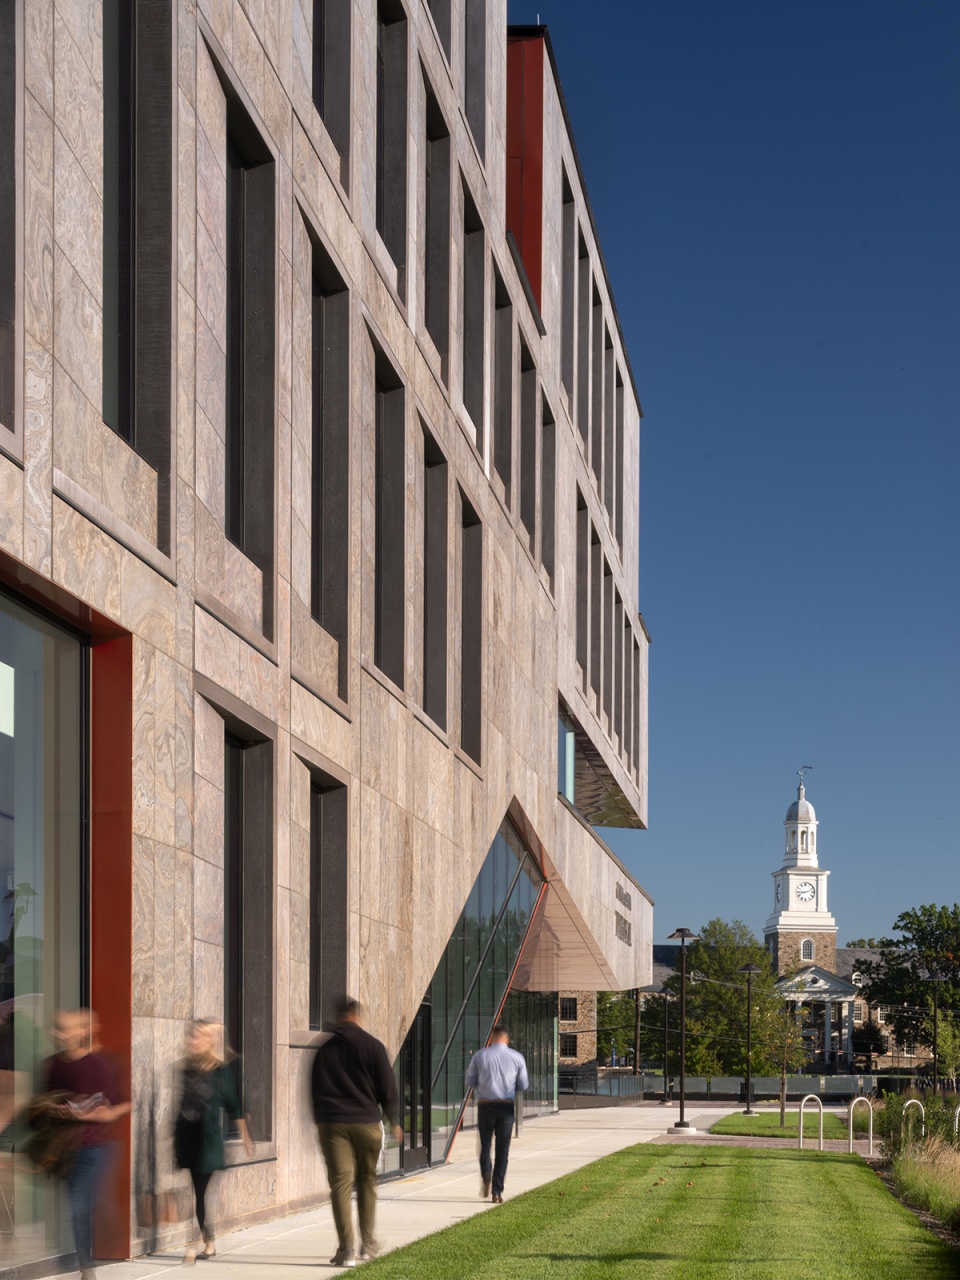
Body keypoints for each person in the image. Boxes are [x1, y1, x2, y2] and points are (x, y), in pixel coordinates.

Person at [310, 996, 402, 1268]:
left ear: (339, 1017)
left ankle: (347, 1249)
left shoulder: (324, 1049)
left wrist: (319, 1120)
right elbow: (387, 1088)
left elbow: (313, 1089)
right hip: (366, 1123)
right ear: (357, 1016)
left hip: (333, 1124)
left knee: (339, 1184)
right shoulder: (373, 1046)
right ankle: (368, 1245)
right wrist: (394, 1120)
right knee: (366, 1182)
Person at [42, 1010, 131, 1279]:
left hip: (93, 1147)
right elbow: (44, 1103)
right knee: (75, 1205)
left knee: (81, 1206)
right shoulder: (52, 1065)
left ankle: (86, 1266)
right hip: (63, 1148)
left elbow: (108, 1105)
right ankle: (83, 1261)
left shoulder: (98, 1065)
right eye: (58, 1029)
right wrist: (55, 1110)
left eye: (68, 1029)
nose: (62, 1034)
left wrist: (82, 1112)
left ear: (81, 1033)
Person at [173, 1021, 252, 1261]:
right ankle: (206, 1241)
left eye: (196, 1037)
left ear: (209, 1041)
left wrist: (245, 1136)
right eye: (190, 1036)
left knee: (200, 1192)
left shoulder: (220, 1070)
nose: (191, 1041)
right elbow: (182, 1105)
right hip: (187, 1139)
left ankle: (204, 1242)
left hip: (208, 1143)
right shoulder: (185, 1069)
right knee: (197, 1192)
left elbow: (233, 1105)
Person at [465, 1024, 529, 1205]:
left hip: (485, 1105)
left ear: (492, 1038)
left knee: (485, 1146)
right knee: (503, 1150)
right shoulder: (517, 1057)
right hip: (506, 1107)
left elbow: (469, 1080)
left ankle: (486, 1172)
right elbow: (523, 1084)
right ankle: (497, 1191)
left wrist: (483, 1086)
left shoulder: (480, 1056)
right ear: (506, 1039)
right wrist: (509, 1087)